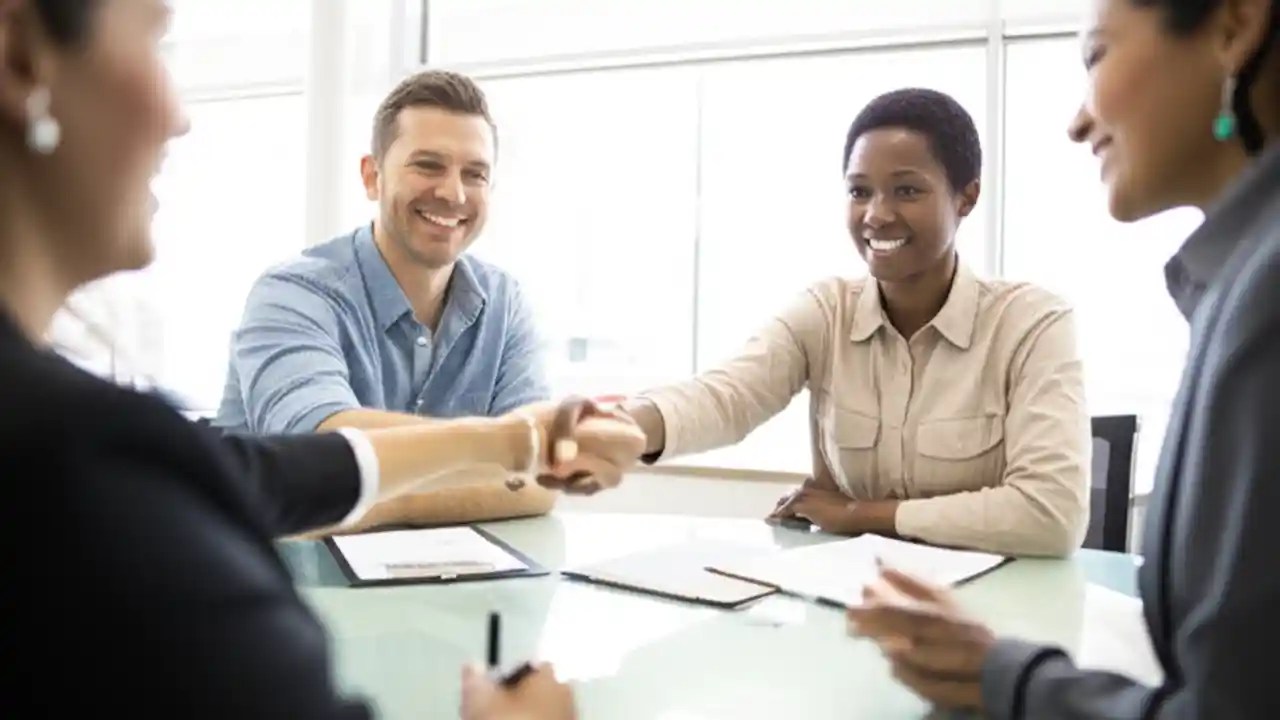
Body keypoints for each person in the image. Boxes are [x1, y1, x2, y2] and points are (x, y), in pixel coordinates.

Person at [0, 0, 638, 717]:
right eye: (153, 41)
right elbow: (309, 456)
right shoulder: (100, 447)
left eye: (475, 173)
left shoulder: (505, 300)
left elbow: (286, 474)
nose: (180, 119)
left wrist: (519, 445)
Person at [848, 0, 1280, 717]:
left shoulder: (1263, 296)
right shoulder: (1236, 280)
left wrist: (1009, 678)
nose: (1079, 122)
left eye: (1098, 55)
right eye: (860, 191)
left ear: (1235, 27)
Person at [622, 88, 1090, 557]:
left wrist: (862, 515)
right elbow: (725, 398)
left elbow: (1051, 515)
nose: (876, 215)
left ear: (966, 197)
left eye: (907, 190)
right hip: (854, 588)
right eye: (859, 191)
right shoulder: (826, 313)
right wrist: (616, 426)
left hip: (990, 598)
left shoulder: (1032, 324)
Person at [214, 69, 558, 531]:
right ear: (372, 177)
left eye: (475, 174)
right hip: (268, 573)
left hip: (444, 574)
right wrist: (496, 459)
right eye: (428, 166)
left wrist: (378, 502)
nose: (453, 193)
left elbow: (544, 473)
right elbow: (319, 458)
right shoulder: (293, 293)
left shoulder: (505, 303)